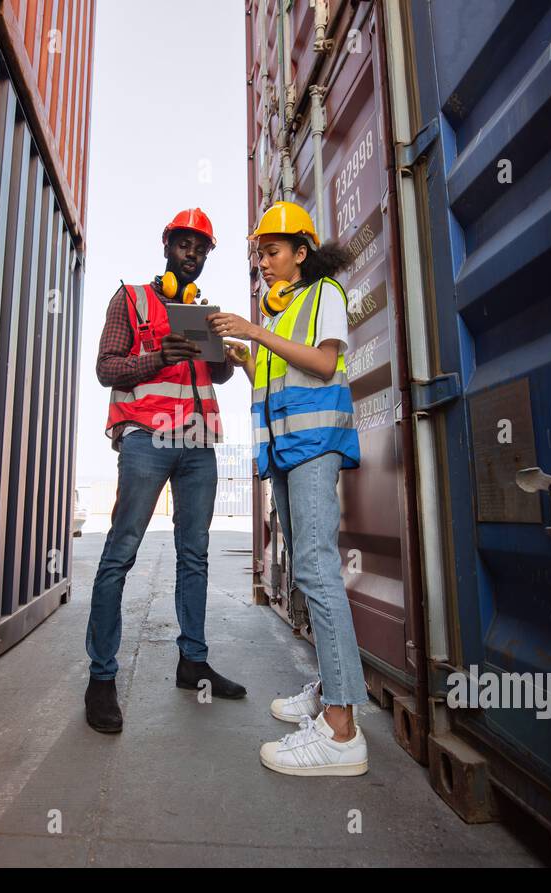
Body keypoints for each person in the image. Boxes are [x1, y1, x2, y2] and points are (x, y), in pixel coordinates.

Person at [207, 200, 369, 776]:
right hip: (284, 454)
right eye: (259, 256)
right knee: (309, 569)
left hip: (313, 449)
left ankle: (342, 728)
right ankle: (330, 692)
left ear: (302, 252)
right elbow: (280, 377)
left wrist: (253, 330)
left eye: (272, 252)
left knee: (319, 571)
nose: (264, 264)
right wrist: (248, 356)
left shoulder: (324, 295)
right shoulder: (278, 316)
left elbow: (324, 366)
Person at [83, 208, 247, 734]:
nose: (193, 254)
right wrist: (157, 356)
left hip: (197, 444)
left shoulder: (202, 310)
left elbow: (213, 376)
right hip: (146, 440)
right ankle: (102, 678)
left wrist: (223, 353)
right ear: (167, 245)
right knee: (121, 552)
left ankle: (192, 663)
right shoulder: (130, 298)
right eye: (185, 244)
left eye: (202, 248)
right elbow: (108, 367)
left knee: (194, 555)